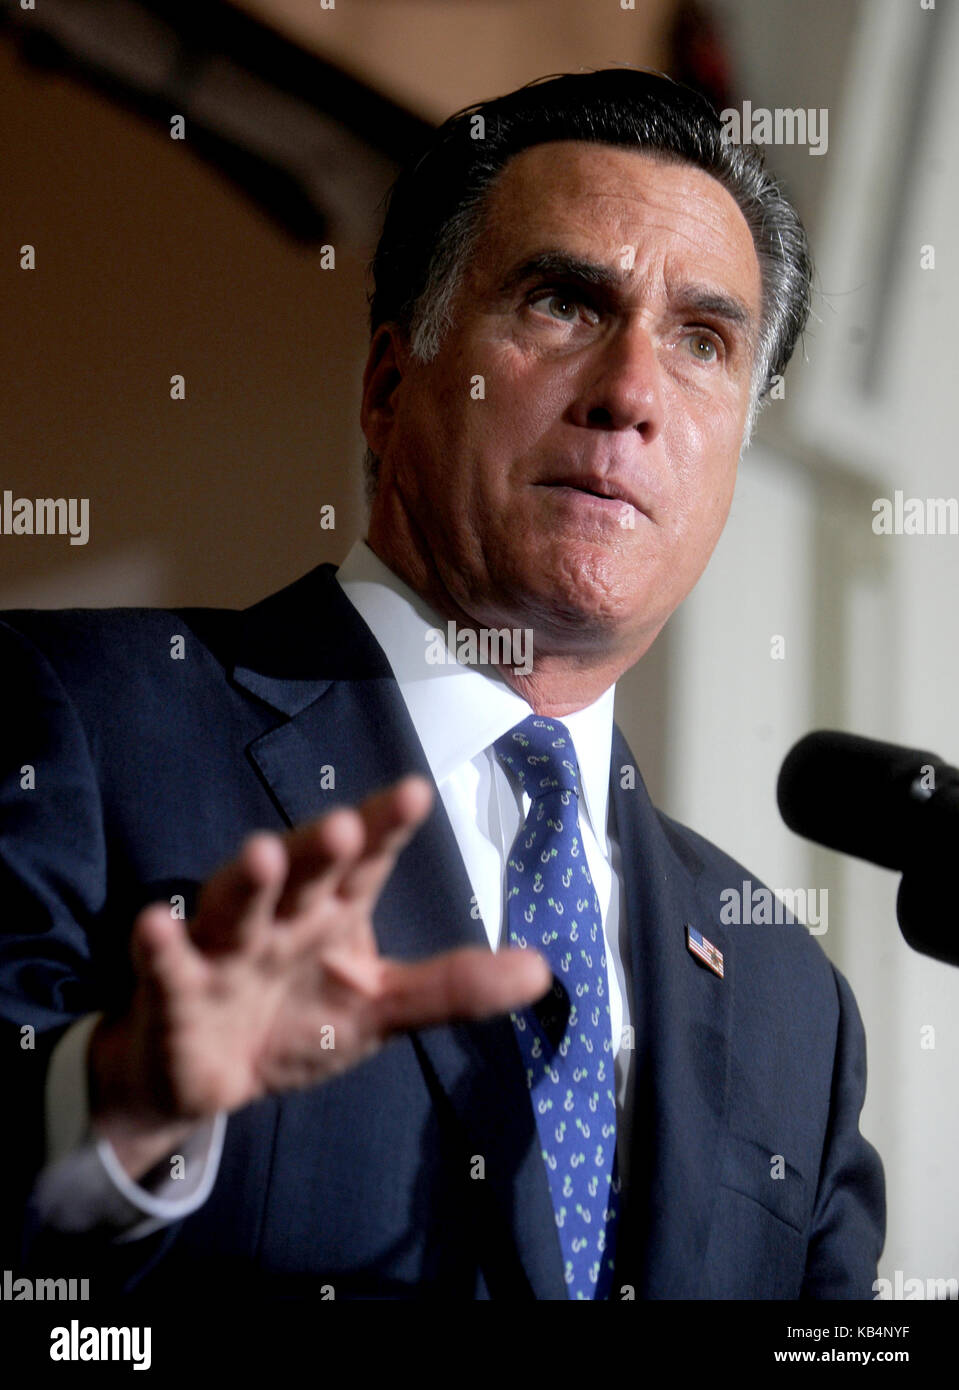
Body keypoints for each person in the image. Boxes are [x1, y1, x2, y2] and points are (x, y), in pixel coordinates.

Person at [0, 68, 884, 1301]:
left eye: (701, 342)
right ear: (386, 385)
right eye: (565, 301)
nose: (629, 393)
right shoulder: (77, 716)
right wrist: (120, 1113)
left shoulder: (796, 1005)